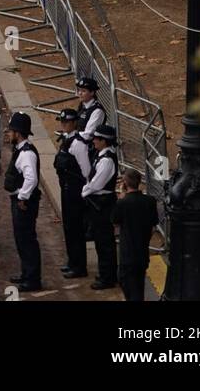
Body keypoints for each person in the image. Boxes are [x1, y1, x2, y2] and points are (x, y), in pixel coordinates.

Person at [3, 111, 41, 292]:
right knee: (22, 239)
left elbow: (31, 179)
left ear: (18, 133)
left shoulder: (26, 154)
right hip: (20, 200)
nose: (8, 134)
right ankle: (27, 273)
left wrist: (22, 197)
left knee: (26, 240)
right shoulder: (21, 150)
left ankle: (32, 278)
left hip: (24, 202)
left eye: (10, 131)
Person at [53, 107, 91, 278]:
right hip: (67, 190)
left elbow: (86, 171)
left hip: (75, 192)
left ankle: (79, 266)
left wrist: (83, 192)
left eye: (67, 122)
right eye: (62, 122)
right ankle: (72, 261)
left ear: (74, 123)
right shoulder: (67, 140)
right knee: (68, 227)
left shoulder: (78, 144)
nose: (64, 125)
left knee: (76, 229)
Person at [112, 168, 158, 302]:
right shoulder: (150, 201)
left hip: (128, 252)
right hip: (142, 250)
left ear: (125, 183)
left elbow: (115, 222)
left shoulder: (123, 203)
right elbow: (153, 226)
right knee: (138, 284)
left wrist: (121, 196)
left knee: (128, 284)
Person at [82, 124, 119, 290]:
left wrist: (83, 192)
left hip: (102, 204)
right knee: (100, 241)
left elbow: (96, 184)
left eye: (97, 138)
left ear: (104, 141)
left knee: (104, 242)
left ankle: (107, 277)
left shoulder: (107, 160)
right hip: (98, 203)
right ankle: (105, 273)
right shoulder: (101, 155)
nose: (94, 141)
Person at [76, 76, 106, 144]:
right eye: (79, 90)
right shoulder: (82, 105)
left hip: (87, 147)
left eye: (83, 91)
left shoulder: (97, 111)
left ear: (92, 92)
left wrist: (72, 136)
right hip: (78, 142)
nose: (80, 93)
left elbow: (88, 135)